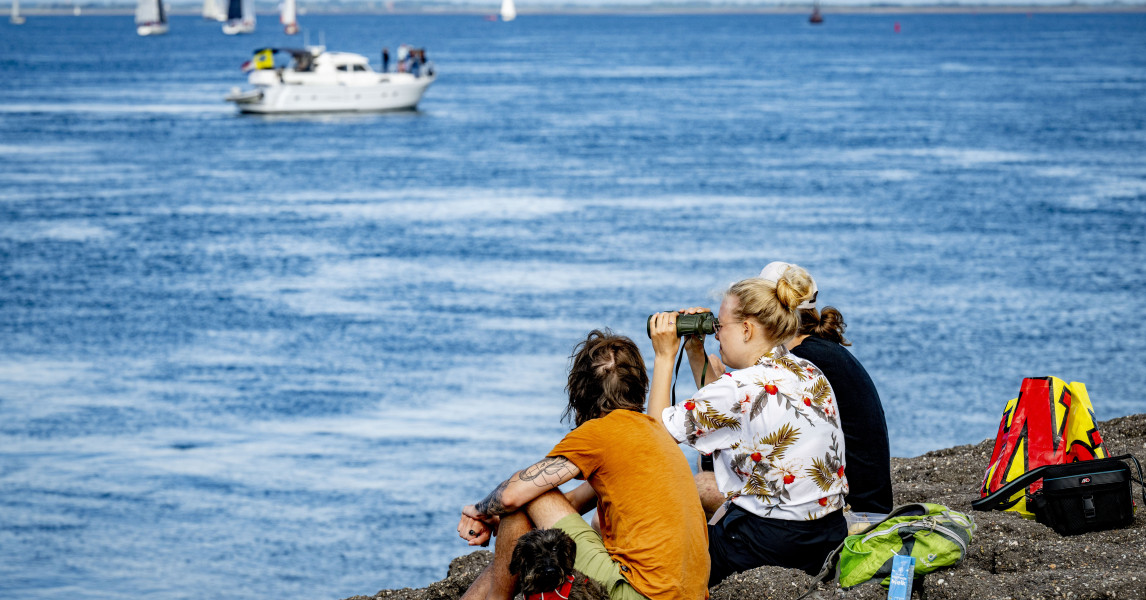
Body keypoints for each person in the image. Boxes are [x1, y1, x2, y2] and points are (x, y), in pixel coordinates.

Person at [457, 330, 710, 600]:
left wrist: (479, 510)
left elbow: (511, 496)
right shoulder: (653, 433)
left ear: (581, 392)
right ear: (638, 386)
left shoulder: (600, 433)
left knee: (524, 492)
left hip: (641, 594)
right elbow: (573, 502)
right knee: (523, 505)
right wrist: (500, 519)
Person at [648, 268, 849, 585]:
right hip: (826, 538)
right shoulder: (808, 370)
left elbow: (655, 436)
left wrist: (663, 356)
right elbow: (729, 418)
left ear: (745, 329)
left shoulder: (739, 388)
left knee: (646, 539)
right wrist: (694, 351)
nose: (716, 333)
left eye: (721, 326)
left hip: (766, 546)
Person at [681, 263, 893, 517]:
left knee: (702, 484)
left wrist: (714, 382)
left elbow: (732, 420)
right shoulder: (814, 355)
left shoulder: (800, 363)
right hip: (859, 501)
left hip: (851, 510)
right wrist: (703, 364)